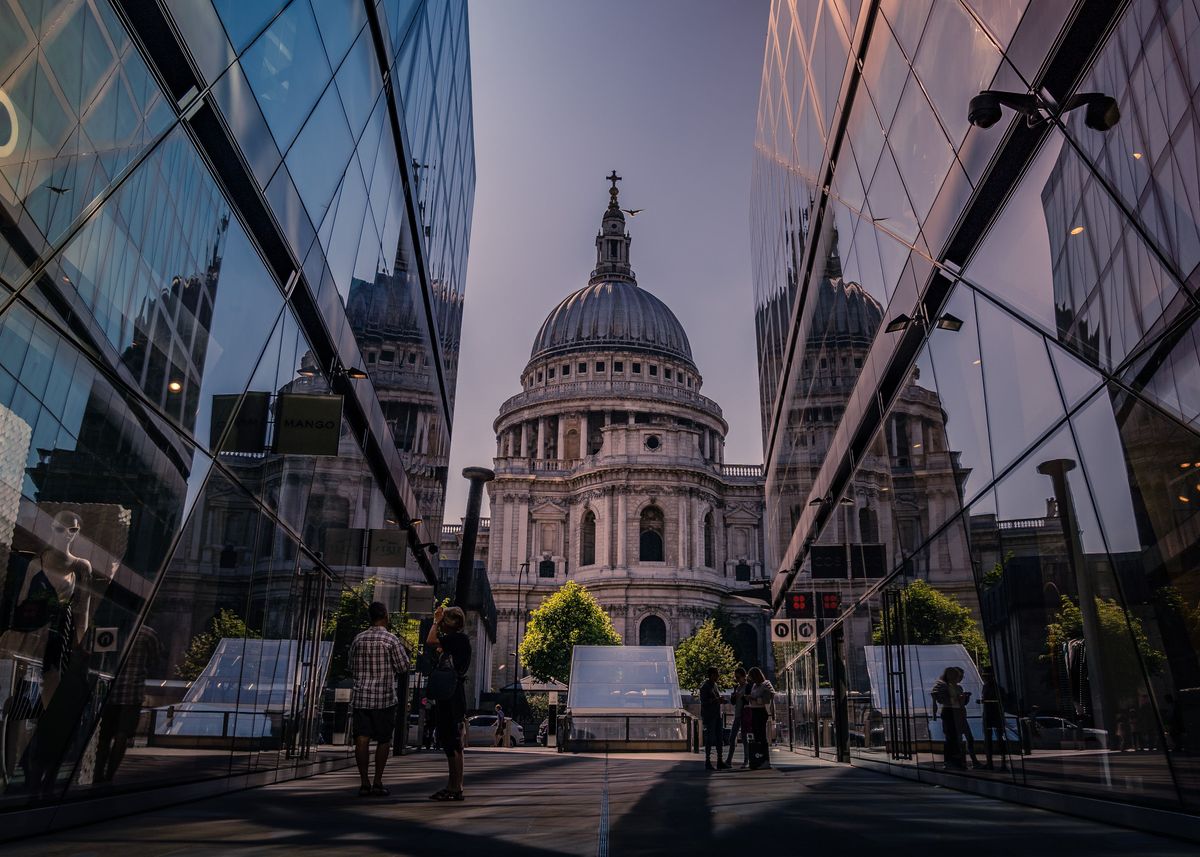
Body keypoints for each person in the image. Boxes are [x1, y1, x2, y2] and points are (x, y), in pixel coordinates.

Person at [349, 601, 409, 797]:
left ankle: (364, 782)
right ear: (385, 616)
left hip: (361, 697)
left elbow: (350, 665)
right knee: (383, 740)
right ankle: (377, 781)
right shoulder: (391, 640)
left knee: (362, 739)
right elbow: (403, 667)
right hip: (384, 698)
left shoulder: (358, 639)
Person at [94, 624, 161, 783]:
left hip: (109, 691)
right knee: (122, 734)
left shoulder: (111, 630)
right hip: (132, 692)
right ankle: (109, 775)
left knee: (104, 736)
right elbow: (156, 659)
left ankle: (97, 774)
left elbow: (98, 655)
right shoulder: (148, 633)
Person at [428, 605, 470, 801]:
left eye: (444, 621)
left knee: (450, 741)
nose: (442, 624)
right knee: (455, 743)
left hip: (450, 695)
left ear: (451, 623)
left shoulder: (455, 639)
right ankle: (455, 786)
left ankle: (454, 786)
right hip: (456, 693)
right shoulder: (460, 640)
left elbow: (430, 639)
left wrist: (435, 620)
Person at [699, 667, 727, 771]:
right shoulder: (705, 687)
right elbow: (704, 702)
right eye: (716, 674)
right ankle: (708, 761)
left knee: (719, 738)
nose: (718, 676)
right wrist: (716, 700)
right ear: (711, 675)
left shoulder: (715, 685)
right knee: (710, 739)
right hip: (710, 716)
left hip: (717, 715)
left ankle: (719, 760)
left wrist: (721, 701)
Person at [978, 668, 1007, 771]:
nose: (984, 678)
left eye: (985, 676)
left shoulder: (994, 688)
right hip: (991, 715)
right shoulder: (992, 687)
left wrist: (984, 701)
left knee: (997, 740)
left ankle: (998, 763)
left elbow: (1001, 700)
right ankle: (994, 763)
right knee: (992, 740)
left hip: (992, 715)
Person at [746, 667, 774, 769]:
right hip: (754, 711)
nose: (751, 680)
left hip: (761, 711)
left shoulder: (766, 684)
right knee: (757, 735)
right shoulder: (754, 686)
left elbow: (767, 699)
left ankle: (765, 760)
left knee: (761, 735)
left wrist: (753, 698)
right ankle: (759, 759)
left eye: (752, 677)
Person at [724, 667, 750, 768]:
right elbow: (733, 702)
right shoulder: (737, 687)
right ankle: (729, 760)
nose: (737, 679)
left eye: (738, 677)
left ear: (744, 676)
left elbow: (749, 700)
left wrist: (742, 696)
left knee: (744, 738)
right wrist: (734, 697)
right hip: (737, 714)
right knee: (732, 737)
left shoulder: (748, 687)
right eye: (736, 677)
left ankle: (746, 761)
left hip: (744, 714)